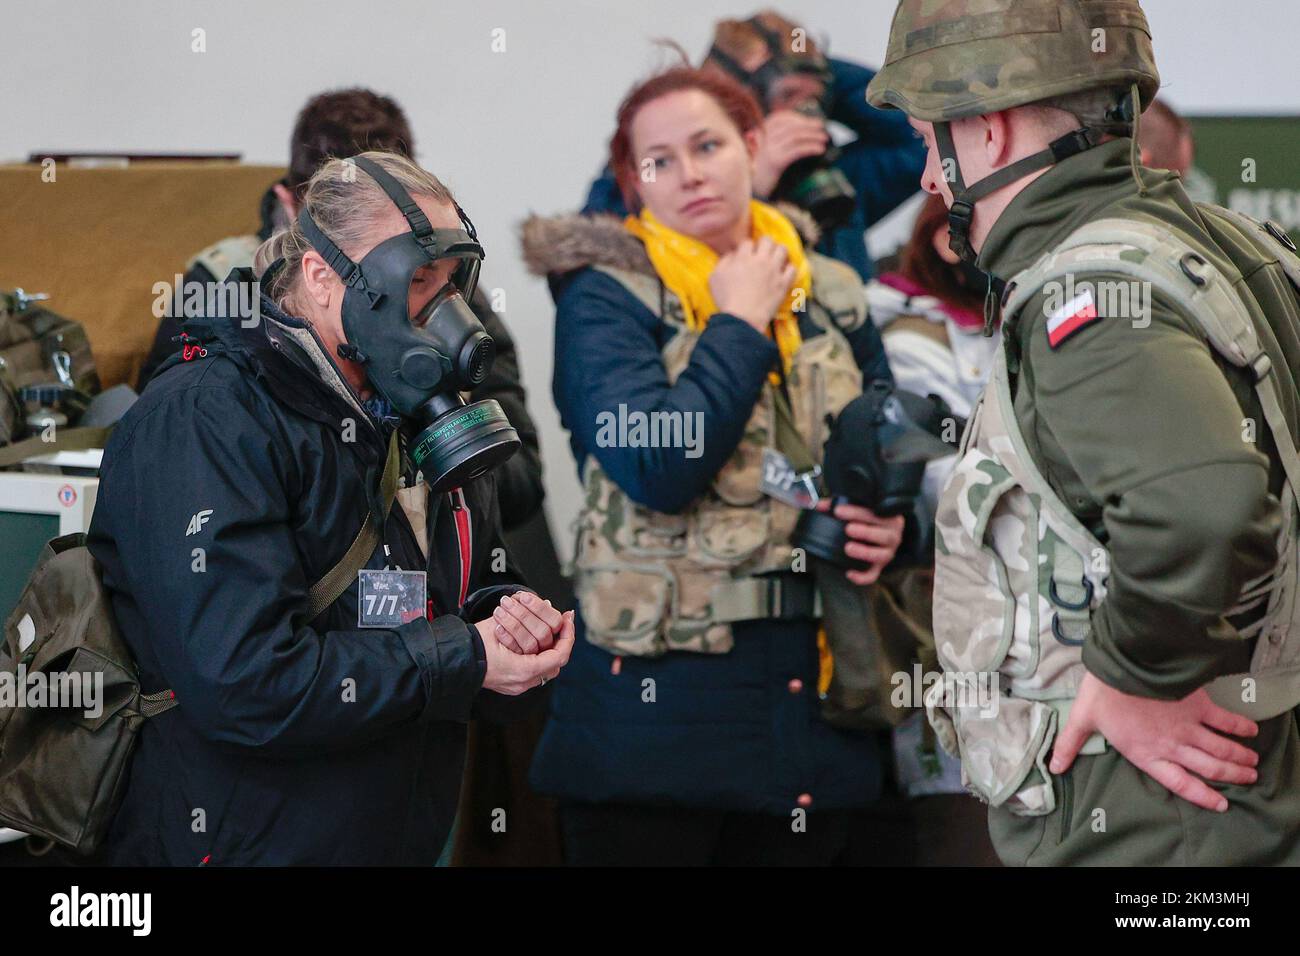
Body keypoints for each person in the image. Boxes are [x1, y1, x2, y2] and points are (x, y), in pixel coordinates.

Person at [867, 0, 1300, 865]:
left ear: (985, 133)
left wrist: (1131, 673)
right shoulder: (1227, 247)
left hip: (1154, 822)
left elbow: (1203, 509)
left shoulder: (1089, 289)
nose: (928, 181)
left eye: (927, 143)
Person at [87, 151, 574, 865]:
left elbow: (449, 605)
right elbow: (248, 682)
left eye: (450, 282)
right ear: (320, 277)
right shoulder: (206, 421)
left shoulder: (420, 419)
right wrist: (464, 655)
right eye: (416, 279)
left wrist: (508, 629)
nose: (445, 313)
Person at [523, 63, 905, 865]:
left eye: (709, 144)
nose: (690, 172)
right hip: (654, 744)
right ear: (633, 180)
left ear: (753, 145)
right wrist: (738, 320)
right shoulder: (604, 296)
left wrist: (895, 522)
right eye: (659, 159)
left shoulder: (831, 287)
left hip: (817, 728)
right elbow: (656, 464)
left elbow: (887, 446)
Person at [581, 10, 925, 281]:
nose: (805, 114)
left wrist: (812, 63)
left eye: (816, 102)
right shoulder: (656, 165)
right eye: (787, 97)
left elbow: (918, 134)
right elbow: (605, 252)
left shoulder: (827, 183)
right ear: (733, 97)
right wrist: (747, 183)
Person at [866, 192, 1003, 866]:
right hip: (950, 644)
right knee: (962, 836)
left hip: (1062, 668)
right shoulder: (905, 335)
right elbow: (949, 487)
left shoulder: (1049, 310)